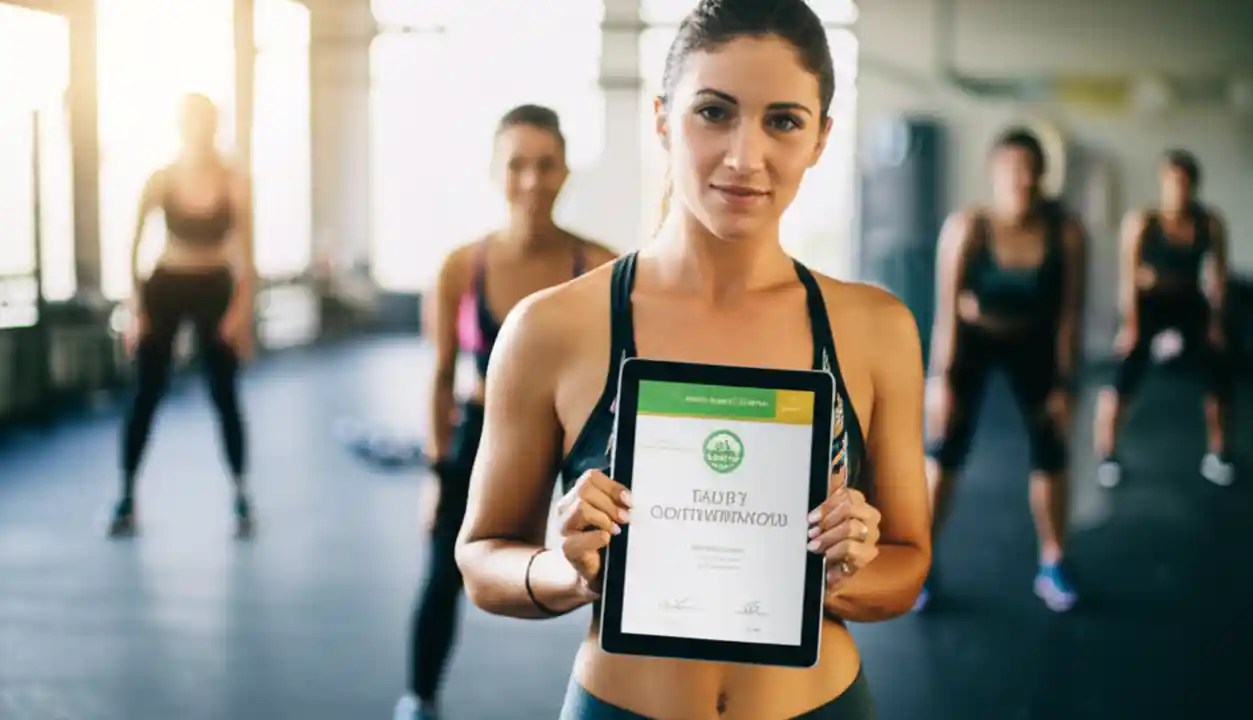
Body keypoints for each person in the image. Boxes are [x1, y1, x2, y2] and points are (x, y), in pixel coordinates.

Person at [455, 3, 931, 717]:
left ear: (821, 138)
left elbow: (909, 564)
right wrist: (567, 570)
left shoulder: (875, 329)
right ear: (661, 118)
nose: (746, 157)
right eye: (714, 112)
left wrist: (841, 567)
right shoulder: (551, 328)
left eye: (784, 120)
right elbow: (482, 559)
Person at [394, 105, 616, 720]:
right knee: (444, 569)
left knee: (611, 565)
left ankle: (617, 696)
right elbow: (441, 378)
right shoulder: (462, 266)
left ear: (565, 171)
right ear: (495, 171)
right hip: (483, 433)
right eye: (517, 164)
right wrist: (436, 477)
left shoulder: (599, 265)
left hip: (578, 439)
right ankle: (419, 698)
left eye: (546, 165)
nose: (531, 180)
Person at [920, 129, 1086, 612]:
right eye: (1013, 168)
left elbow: (1070, 314)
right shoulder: (969, 227)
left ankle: (1053, 562)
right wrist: (941, 381)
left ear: (1043, 176)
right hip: (973, 342)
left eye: (1032, 169)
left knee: (1051, 450)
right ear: (994, 174)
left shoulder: (1065, 231)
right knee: (945, 451)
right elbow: (946, 314)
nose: (1024, 179)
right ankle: (922, 564)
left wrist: (1065, 384)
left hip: (1034, 343)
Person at [109, 93, 256, 539]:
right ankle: (126, 495)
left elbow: (248, 257)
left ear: (215, 127)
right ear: (181, 127)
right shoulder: (161, 179)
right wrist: (138, 313)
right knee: (147, 393)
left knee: (224, 394)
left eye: (206, 123)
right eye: (191, 122)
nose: (200, 131)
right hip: (166, 284)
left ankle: (240, 495)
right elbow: (133, 249)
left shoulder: (234, 181)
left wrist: (239, 316)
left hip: (215, 285)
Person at [1093, 149, 1234, 488]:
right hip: (1148, 303)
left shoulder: (1209, 223)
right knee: (1125, 375)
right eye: (1172, 182)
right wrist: (1130, 326)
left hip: (1189, 299)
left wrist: (1216, 323)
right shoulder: (1143, 222)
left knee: (1218, 375)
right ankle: (1107, 456)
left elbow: (1217, 275)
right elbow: (1127, 279)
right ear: (1162, 184)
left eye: (1185, 182)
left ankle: (1219, 454)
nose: (1179, 189)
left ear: (1195, 185)